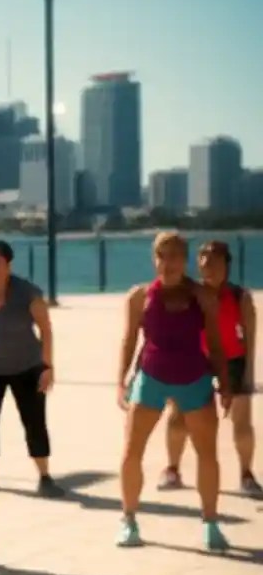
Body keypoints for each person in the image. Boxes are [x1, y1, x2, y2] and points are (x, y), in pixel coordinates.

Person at [116, 231, 231, 551]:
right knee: (131, 451)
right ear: (154, 260)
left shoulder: (202, 297)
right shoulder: (139, 297)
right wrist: (121, 381)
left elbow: (216, 343)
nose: (168, 263)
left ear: (185, 260)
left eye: (175, 256)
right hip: (151, 378)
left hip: (194, 379)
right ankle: (128, 520)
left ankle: (211, 523)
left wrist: (225, 383)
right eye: (161, 256)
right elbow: (129, 340)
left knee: (207, 454)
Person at [158, 240, 259, 497]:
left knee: (242, 421)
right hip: (196, 360)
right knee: (178, 415)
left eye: (214, 262)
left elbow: (250, 337)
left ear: (226, 265)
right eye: (203, 262)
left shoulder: (240, 297)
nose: (208, 267)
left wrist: (248, 374)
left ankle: (247, 475)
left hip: (233, 360)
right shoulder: (190, 294)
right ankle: (172, 469)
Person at [0, 240, 65, 497]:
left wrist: (47, 366)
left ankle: (44, 476)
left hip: (27, 366)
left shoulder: (27, 293)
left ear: (8, 265)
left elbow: (45, 329)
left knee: (34, 421)